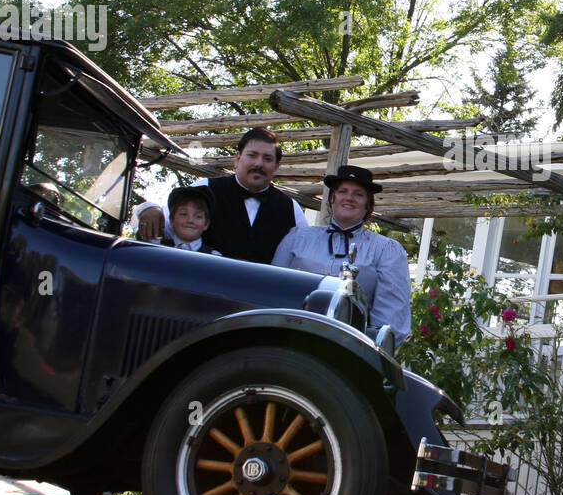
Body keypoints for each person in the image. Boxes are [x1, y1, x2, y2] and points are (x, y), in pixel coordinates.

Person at [271, 165, 411, 342]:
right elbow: (274, 289)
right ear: (332, 198)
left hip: (348, 346)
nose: (349, 198)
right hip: (289, 337)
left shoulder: (386, 250)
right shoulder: (297, 238)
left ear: (368, 205)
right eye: (342, 191)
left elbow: (391, 318)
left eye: (358, 194)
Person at [133, 127, 306, 262]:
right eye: (252, 155)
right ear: (237, 159)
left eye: (267, 159)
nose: (258, 163)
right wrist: (150, 209)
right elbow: (167, 224)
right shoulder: (205, 189)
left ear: (276, 167)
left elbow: (306, 255)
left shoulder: (291, 209)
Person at [163, 185, 220, 255]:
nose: (190, 220)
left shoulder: (214, 258)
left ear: (206, 224)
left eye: (198, 216)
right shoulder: (158, 249)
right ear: (171, 219)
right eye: (183, 214)